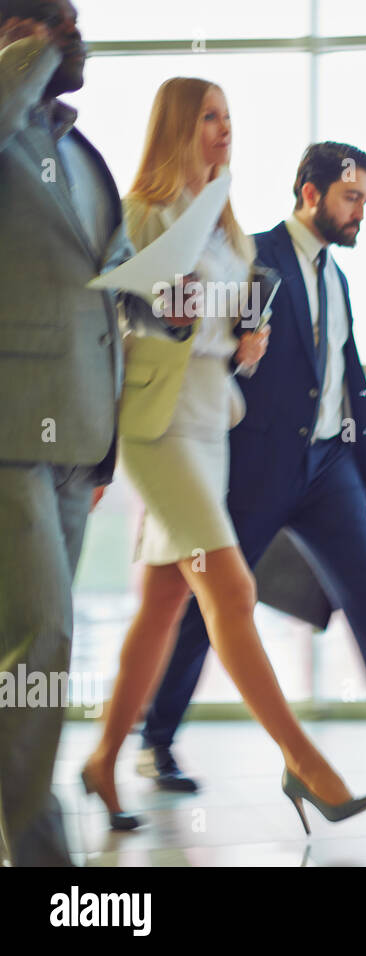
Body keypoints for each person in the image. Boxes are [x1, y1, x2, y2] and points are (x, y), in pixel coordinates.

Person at [137, 142, 366, 795]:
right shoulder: (258, 257)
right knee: (211, 603)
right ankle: (154, 741)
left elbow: (343, 369)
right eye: (352, 198)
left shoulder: (336, 274)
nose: (361, 213)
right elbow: (223, 354)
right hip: (261, 465)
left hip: (329, 465)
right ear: (311, 194)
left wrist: (356, 460)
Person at [79, 78, 366, 836]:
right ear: (179, 126)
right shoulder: (145, 215)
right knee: (232, 589)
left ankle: (105, 759)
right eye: (210, 117)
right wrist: (169, 318)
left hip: (212, 418)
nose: (224, 130)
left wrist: (250, 342)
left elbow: (227, 337)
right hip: (157, 427)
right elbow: (119, 317)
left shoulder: (227, 230)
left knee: (161, 605)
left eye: (229, 119)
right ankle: (303, 759)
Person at [0, 0, 139, 866]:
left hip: (80, 429)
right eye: (58, 21)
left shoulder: (82, 153)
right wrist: (23, 58)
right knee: (39, 636)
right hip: (10, 428)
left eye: (76, 22)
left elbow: (113, 273)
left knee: (40, 641)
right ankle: (43, 856)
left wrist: (162, 299)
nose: (75, 35)